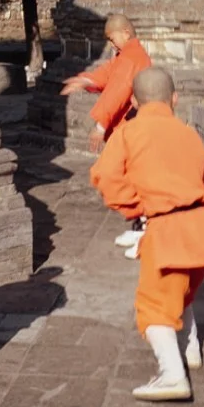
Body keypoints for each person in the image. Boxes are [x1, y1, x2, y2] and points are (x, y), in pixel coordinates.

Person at [90, 67, 204, 402]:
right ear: (174, 99)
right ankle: (190, 350)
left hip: (168, 228)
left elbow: (105, 176)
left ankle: (172, 375)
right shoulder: (188, 132)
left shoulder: (128, 132)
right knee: (180, 294)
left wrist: (136, 207)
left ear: (133, 101)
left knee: (152, 307)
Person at [60, 14, 153, 257]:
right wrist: (85, 80)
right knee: (128, 174)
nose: (112, 44)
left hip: (133, 126)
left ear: (126, 33)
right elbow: (108, 74)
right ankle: (140, 223)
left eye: (113, 39)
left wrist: (100, 126)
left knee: (124, 175)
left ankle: (146, 227)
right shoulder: (127, 55)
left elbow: (118, 91)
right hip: (130, 126)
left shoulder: (132, 57)